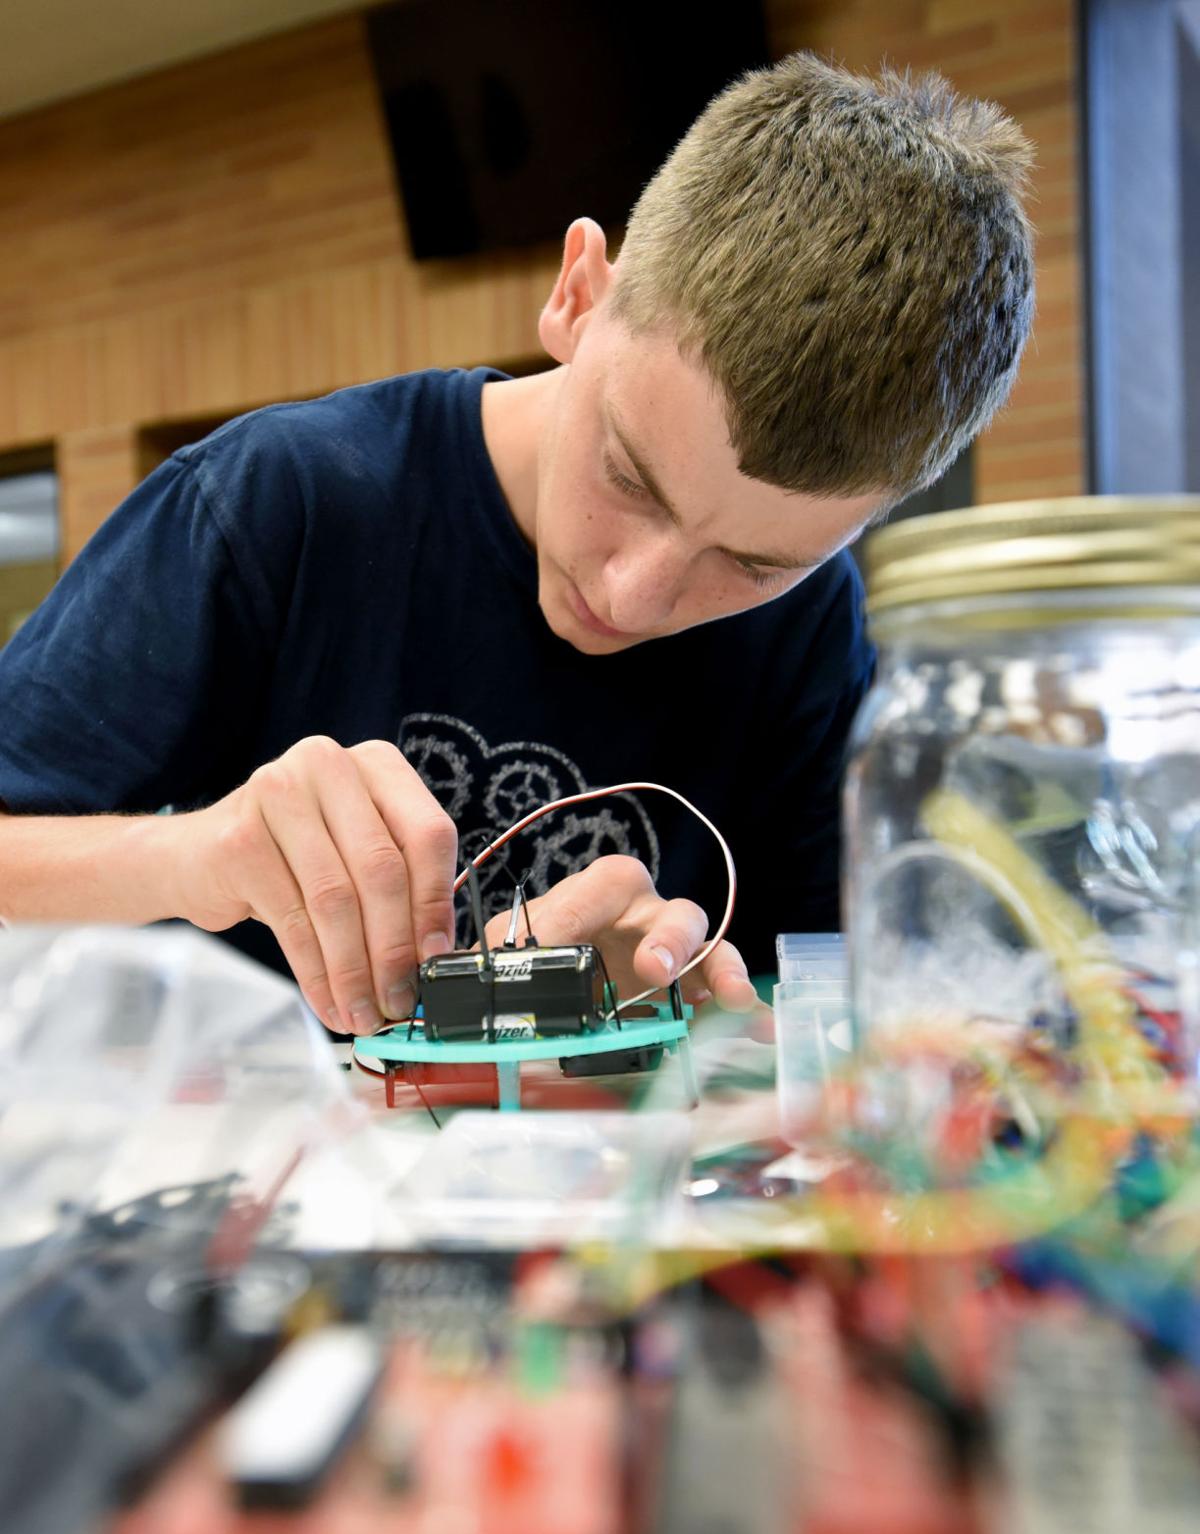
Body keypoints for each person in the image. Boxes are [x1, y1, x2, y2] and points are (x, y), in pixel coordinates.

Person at [0, 54, 1034, 1037]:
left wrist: (661, 1017)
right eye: (629, 477)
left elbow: (816, 1004)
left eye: (750, 564)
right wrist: (191, 855)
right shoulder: (284, 500)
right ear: (577, 294)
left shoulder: (810, 626)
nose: (632, 598)